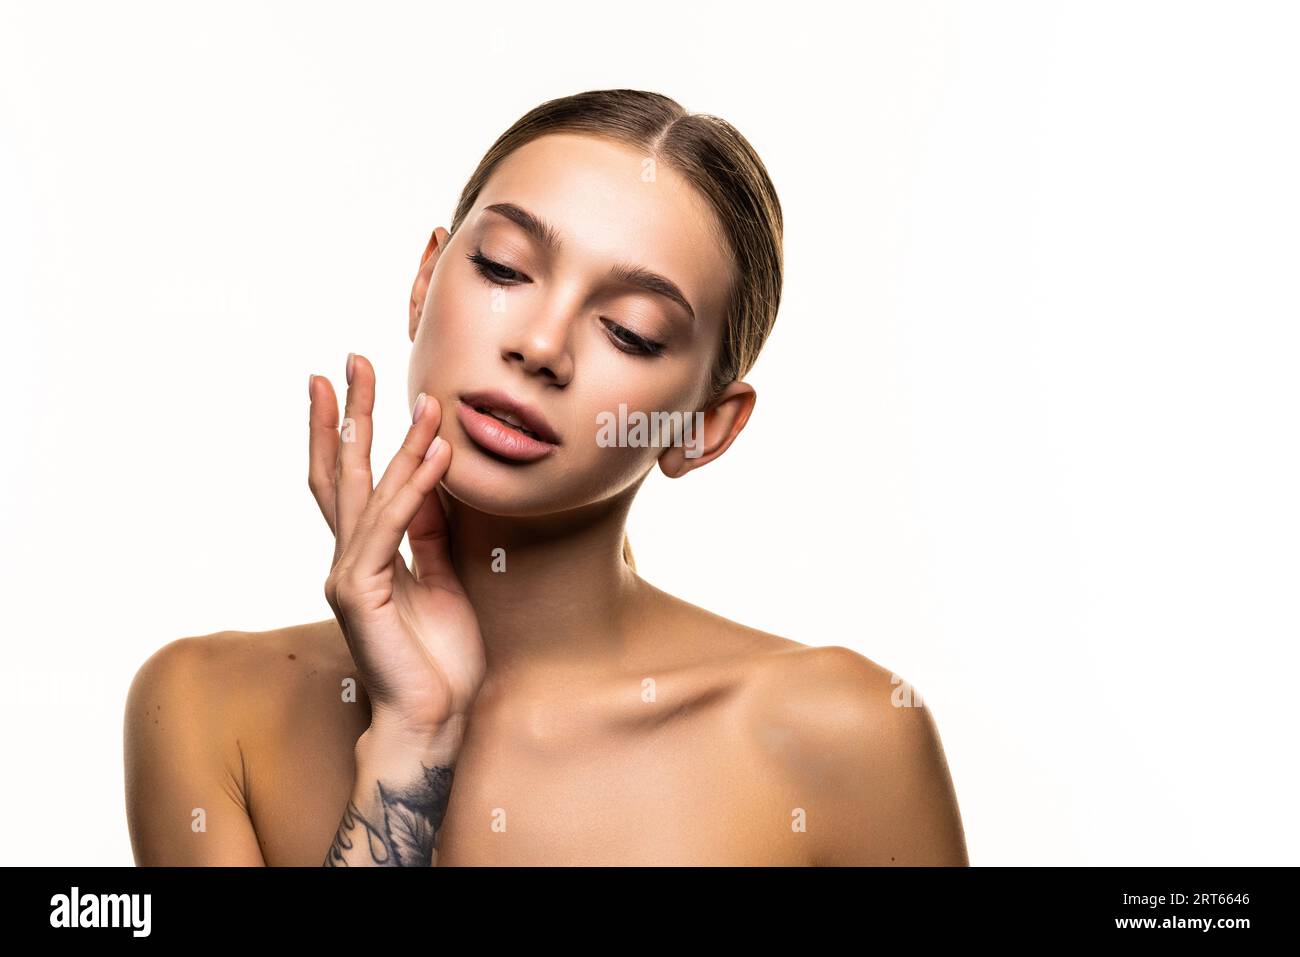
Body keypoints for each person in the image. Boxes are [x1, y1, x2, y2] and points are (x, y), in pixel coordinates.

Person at [124, 89, 969, 866]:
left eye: (632, 332)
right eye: (502, 267)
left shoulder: (843, 737)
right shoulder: (206, 710)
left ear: (703, 429)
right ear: (425, 281)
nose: (540, 343)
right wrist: (415, 740)